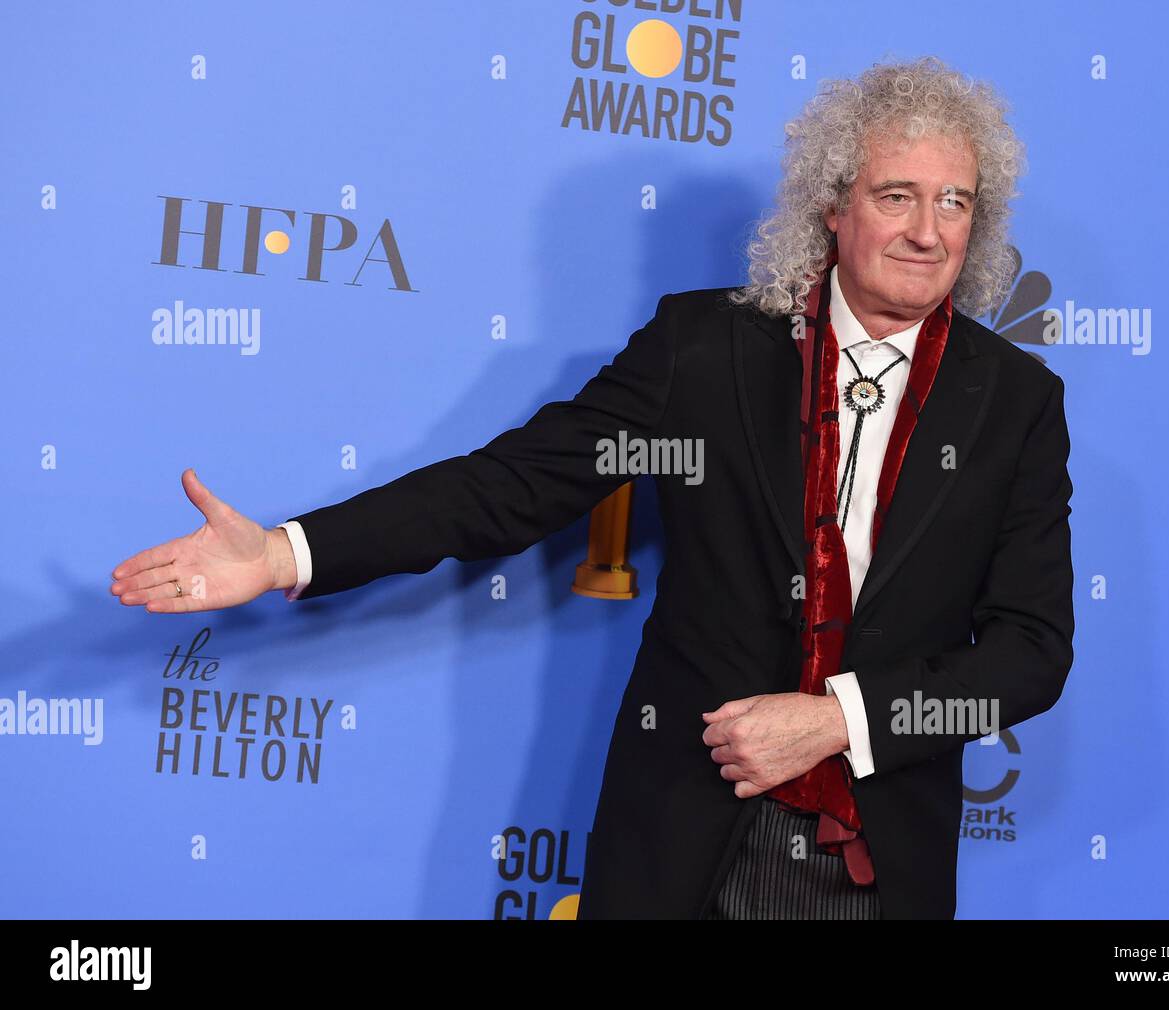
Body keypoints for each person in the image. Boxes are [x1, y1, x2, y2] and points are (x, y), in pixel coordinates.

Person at [110, 55, 1074, 920]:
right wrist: (286, 550)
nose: (927, 231)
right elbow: (513, 484)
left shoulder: (1017, 401)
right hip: (683, 835)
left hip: (878, 859)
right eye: (897, 195)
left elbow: (1031, 652)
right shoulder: (705, 350)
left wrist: (836, 720)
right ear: (833, 204)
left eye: (955, 203)